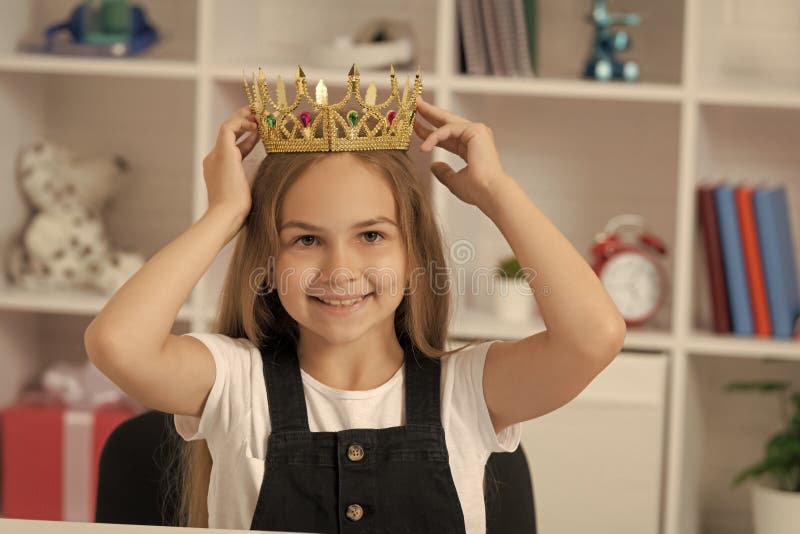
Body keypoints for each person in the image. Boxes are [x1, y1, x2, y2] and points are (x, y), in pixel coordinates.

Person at [85, 65, 626, 533]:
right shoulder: (235, 385)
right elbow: (118, 343)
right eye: (305, 239)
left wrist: (498, 192)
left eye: (371, 236)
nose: (339, 271)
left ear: (414, 256)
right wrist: (226, 213)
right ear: (268, 265)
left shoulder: (466, 392)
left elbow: (594, 337)